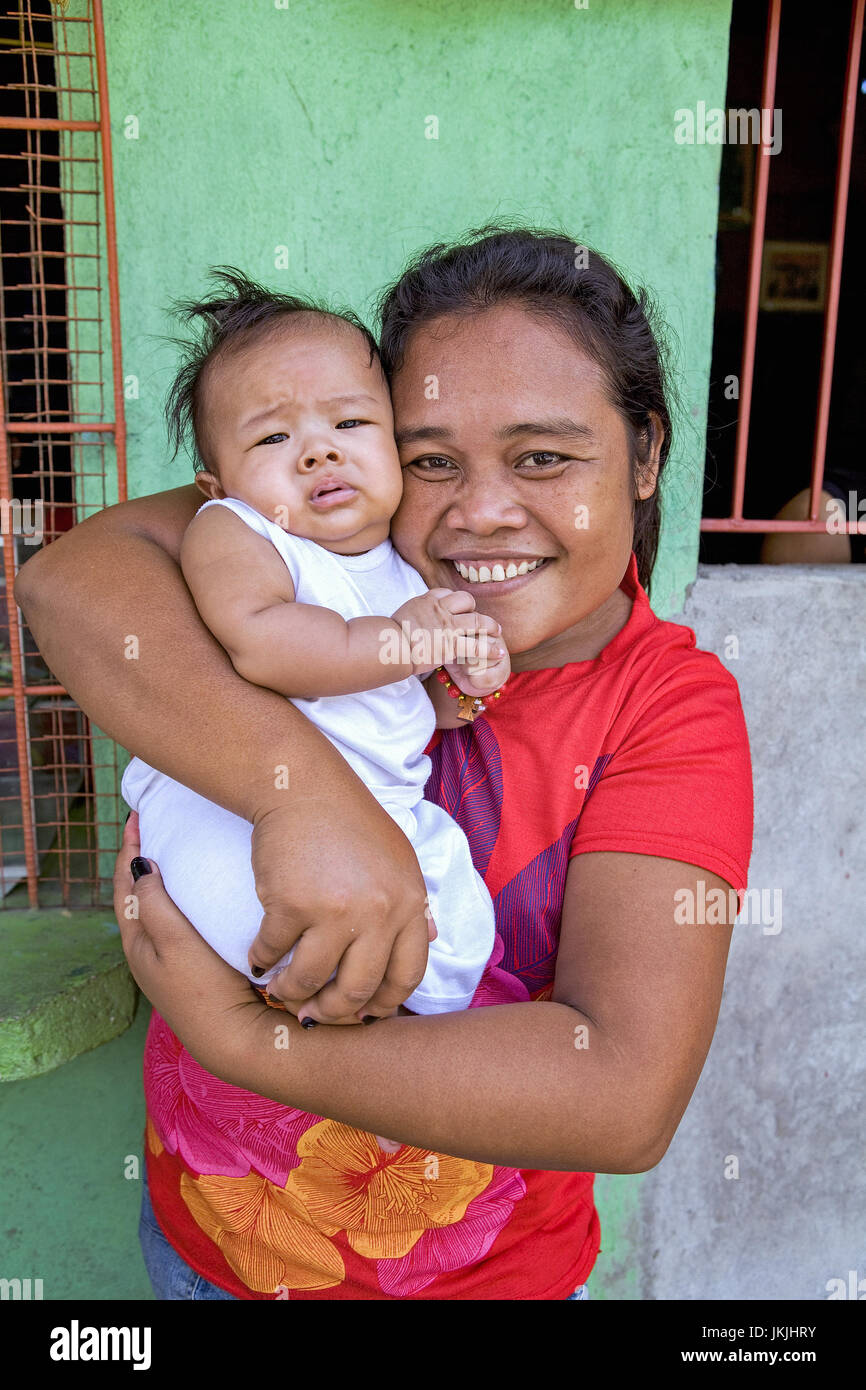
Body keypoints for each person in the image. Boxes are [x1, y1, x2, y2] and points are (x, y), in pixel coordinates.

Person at [16, 226, 754, 1301]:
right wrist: (299, 797)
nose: (479, 510)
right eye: (427, 459)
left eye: (543, 457)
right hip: (201, 1249)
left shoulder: (665, 708)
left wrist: (247, 1045)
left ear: (642, 454)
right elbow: (69, 584)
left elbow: (621, 1095)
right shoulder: (312, 533)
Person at [121, 269, 509, 1016]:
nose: (318, 453)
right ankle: (297, 998)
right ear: (218, 485)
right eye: (273, 437)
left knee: (456, 938)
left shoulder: (403, 565)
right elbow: (264, 644)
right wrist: (402, 640)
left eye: (351, 425)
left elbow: (409, 697)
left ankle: (391, 1010)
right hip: (230, 802)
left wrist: (463, 678)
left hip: (384, 805)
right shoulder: (240, 534)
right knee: (269, 922)